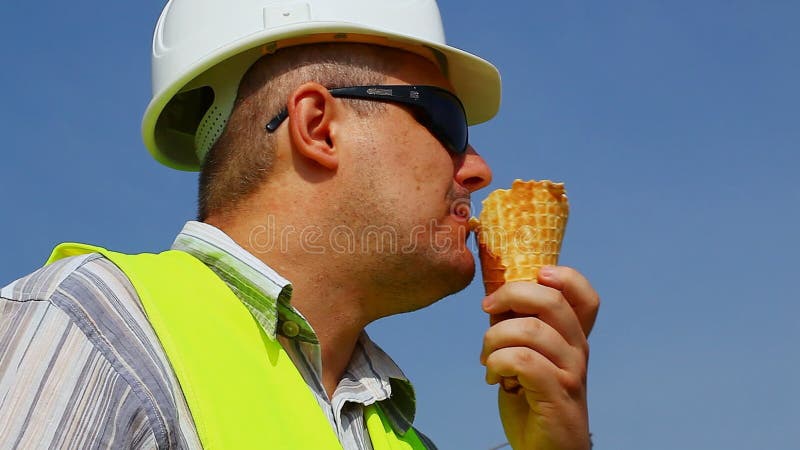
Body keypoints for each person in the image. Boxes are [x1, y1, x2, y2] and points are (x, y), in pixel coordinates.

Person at [0, 0, 600, 448]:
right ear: (318, 126)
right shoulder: (95, 324)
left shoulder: (399, 436)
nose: (477, 168)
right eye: (448, 122)